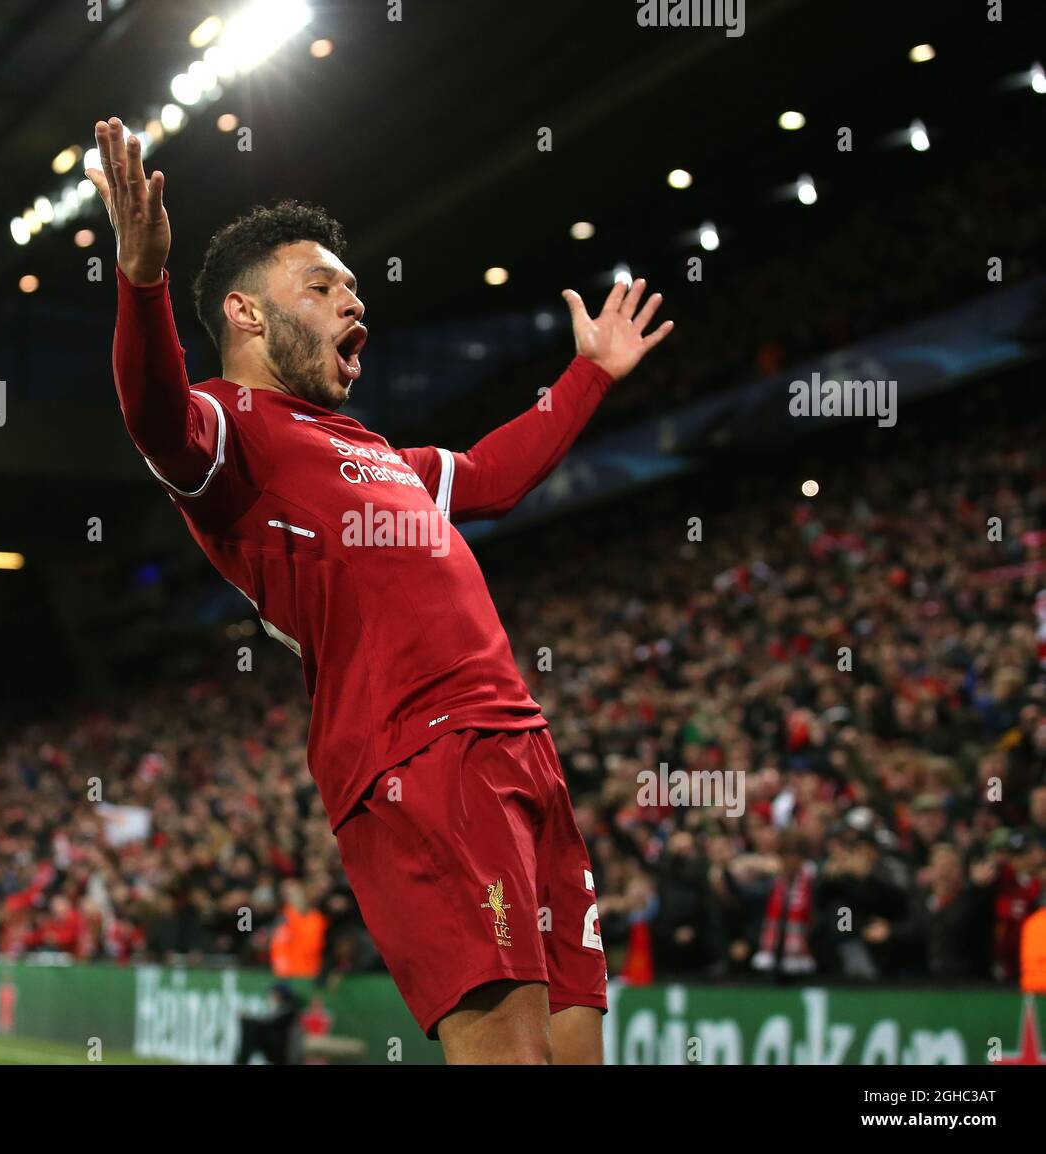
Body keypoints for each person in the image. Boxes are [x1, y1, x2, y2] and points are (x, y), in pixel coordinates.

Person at [88, 116, 674, 1064]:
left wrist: (590, 375)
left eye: (354, 291)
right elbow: (152, 410)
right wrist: (143, 281)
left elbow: (489, 476)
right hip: (420, 754)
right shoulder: (230, 431)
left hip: (520, 746)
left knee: (575, 1054)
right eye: (320, 288)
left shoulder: (371, 451)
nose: (352, 304)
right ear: (245, 314)